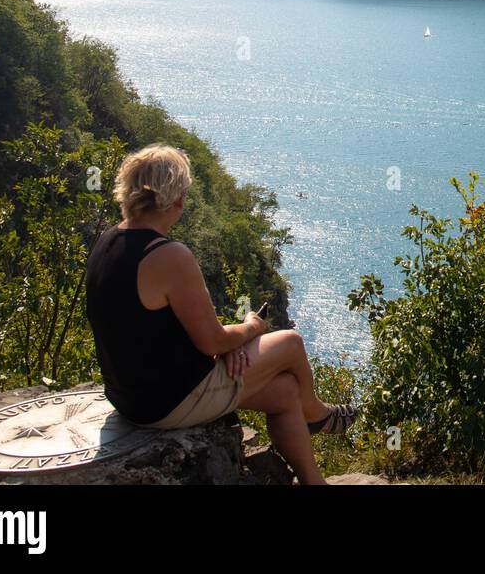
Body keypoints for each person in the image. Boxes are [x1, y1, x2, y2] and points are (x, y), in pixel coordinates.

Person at [86, 144, 354, 484]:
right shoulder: (169, 255)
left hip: (130, 398)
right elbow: (210, 339)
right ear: (178, 199)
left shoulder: (108, 241)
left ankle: (313, 482)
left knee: (286, 391)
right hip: (169, 402)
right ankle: (317, 413)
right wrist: (251, 327)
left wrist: (227, 346)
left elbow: (150, 328)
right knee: (290, 342)